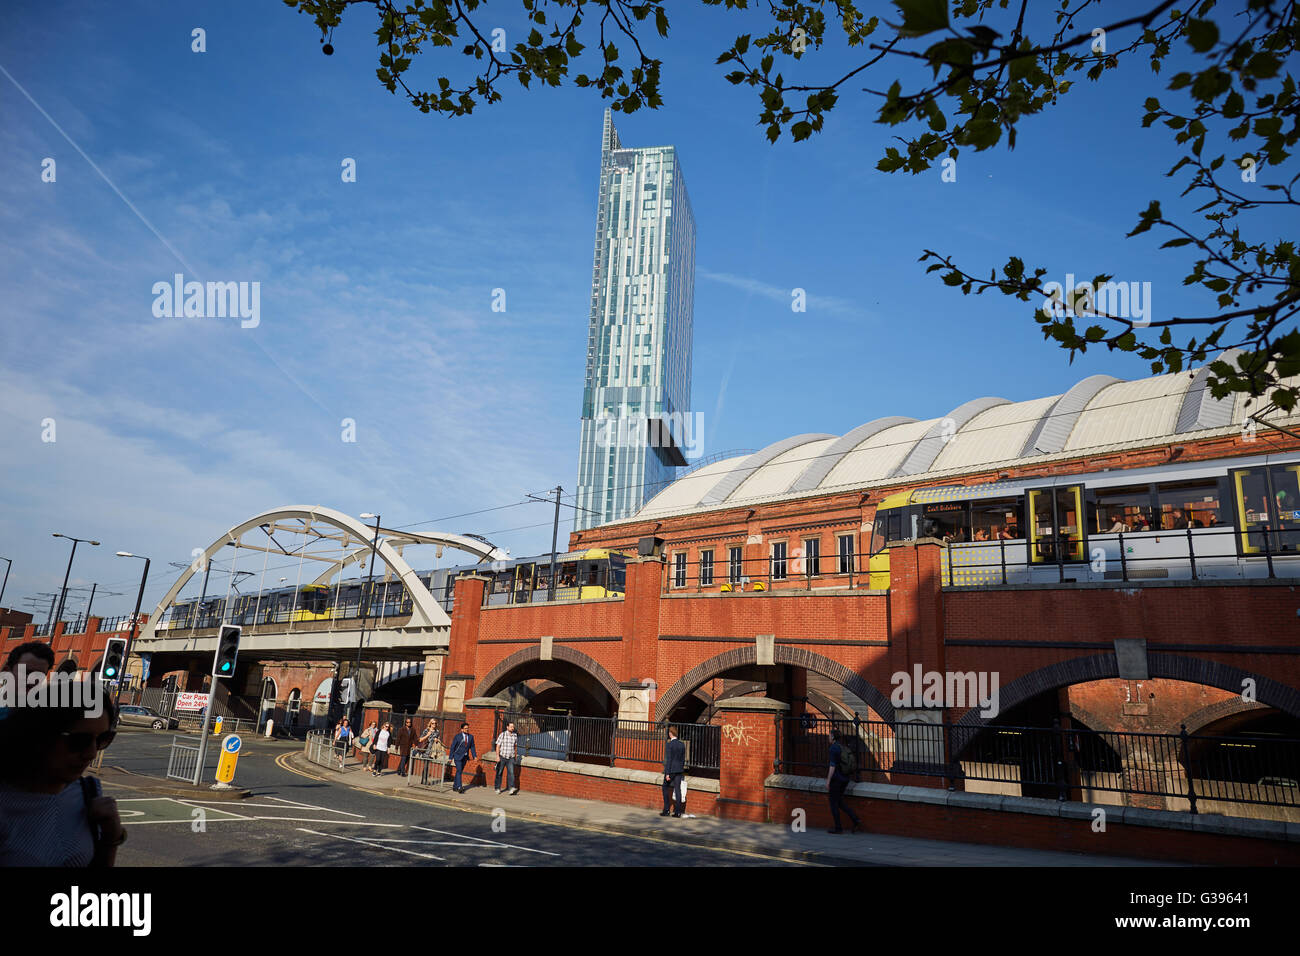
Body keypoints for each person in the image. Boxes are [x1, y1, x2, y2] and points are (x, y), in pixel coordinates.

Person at [0, 693, 125, 866]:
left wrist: (110, 838)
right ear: (42, 737)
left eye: (103, 739)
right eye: (79, 740)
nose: (92, 753)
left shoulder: (87, 793)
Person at [826, 729, 861, 834]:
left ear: (832, 737)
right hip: (845, 779)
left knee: (833, 804)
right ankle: (855, 820)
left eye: (829, 735)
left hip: (836, 779)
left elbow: (832, 766)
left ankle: (838, 828)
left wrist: (828, 781)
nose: (828, 737)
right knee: (840, 802)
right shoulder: (842, 747)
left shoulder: (833, 748)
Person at [660, 726, 686, 818]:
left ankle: (666, 810)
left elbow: (669, 760)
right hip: (679, 770)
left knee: (664, 788)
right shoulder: (682, 744)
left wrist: (667, 773)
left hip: (671, 770)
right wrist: (681, 768)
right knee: (677, 789)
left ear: (670, 734)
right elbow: (683, 759)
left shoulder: (669, 744)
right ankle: (678, 812)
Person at [448, 722, 476, 793]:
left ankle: (455, 786)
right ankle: (460, 787)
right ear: (462, 729)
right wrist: (450, 757)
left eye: (468, 728)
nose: (467, 730)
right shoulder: (457, 737)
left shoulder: (471, 737)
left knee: (459, 771)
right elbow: (453, 747)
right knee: (459, 770)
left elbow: (472, 747)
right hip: (457, 756)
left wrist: (474, 756)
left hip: (465, 757)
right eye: (465, 728)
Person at [494, 721, 521, 795]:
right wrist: (497, 756)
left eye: (513, 727)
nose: (513, 728)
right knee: (499, 773)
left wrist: (515, 756)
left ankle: (511, 788)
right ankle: (497, 788)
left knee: (511, 773)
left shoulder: (515, 736)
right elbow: (498, 746)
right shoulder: (502, 735)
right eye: (511, 726)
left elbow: (515, 747)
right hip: (502, 757)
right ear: (507, 727)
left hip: (511, 757)